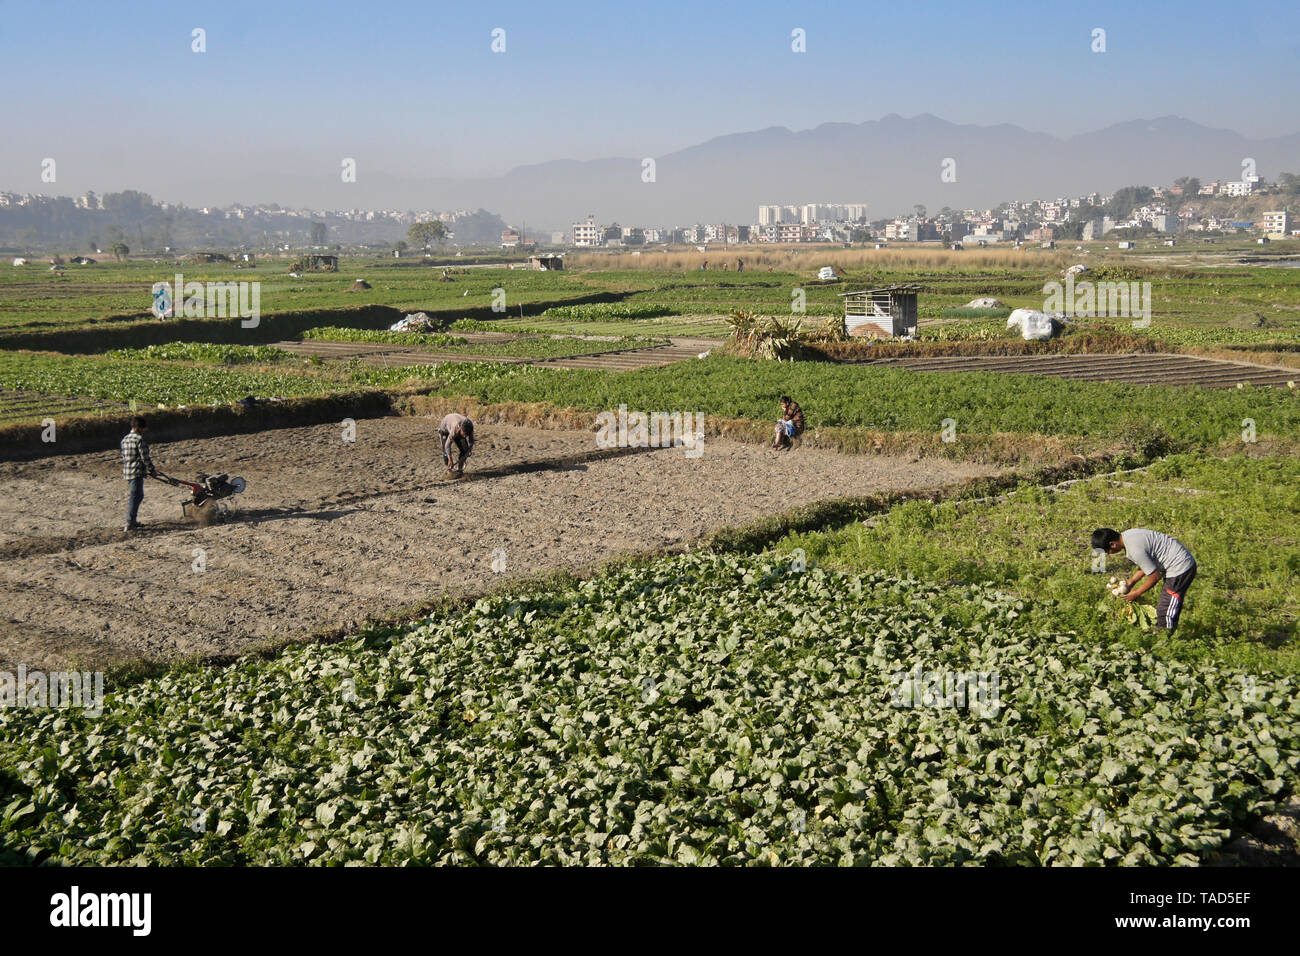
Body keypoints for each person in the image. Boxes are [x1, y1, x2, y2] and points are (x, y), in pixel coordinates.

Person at [1091, 527, 1197, 633]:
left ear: (1113, 544)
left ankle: (1165, 638)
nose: (1109, 554)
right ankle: (1168, 633)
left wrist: (1136, 593)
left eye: (1107, 552)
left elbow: (1154, 576)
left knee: (1165, 608)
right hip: (1178, 561)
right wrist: (1131, 582)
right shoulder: (1128, 536)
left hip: (1180, 568)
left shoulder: (1134, 549)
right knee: (1170, 605)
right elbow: (1146, 563)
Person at [121, 416, 156, 532]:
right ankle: (130, 522)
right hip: (136, 471)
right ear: (137, 427)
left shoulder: (125, 439)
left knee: (138, 495)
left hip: (127, 471)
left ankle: (133, 520)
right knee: (135, 496)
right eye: (143, 428)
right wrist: (152, 469)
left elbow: (125, 457)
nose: (144, 430)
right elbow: (145, 458)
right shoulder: (139, 440)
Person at [438, 412, 475, 476]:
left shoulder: (470, 426)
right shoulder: (455, 427)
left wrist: (469, 449)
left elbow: (471, 440)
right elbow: (447, 445)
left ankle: (460, 470)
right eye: (464, 435)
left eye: (467, 435)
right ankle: (449, 470)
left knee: (465, 449)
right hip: (445, 430)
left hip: (458, 429)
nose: (465, 437)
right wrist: (450, 460)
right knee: (445, 451)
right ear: (461, 429)